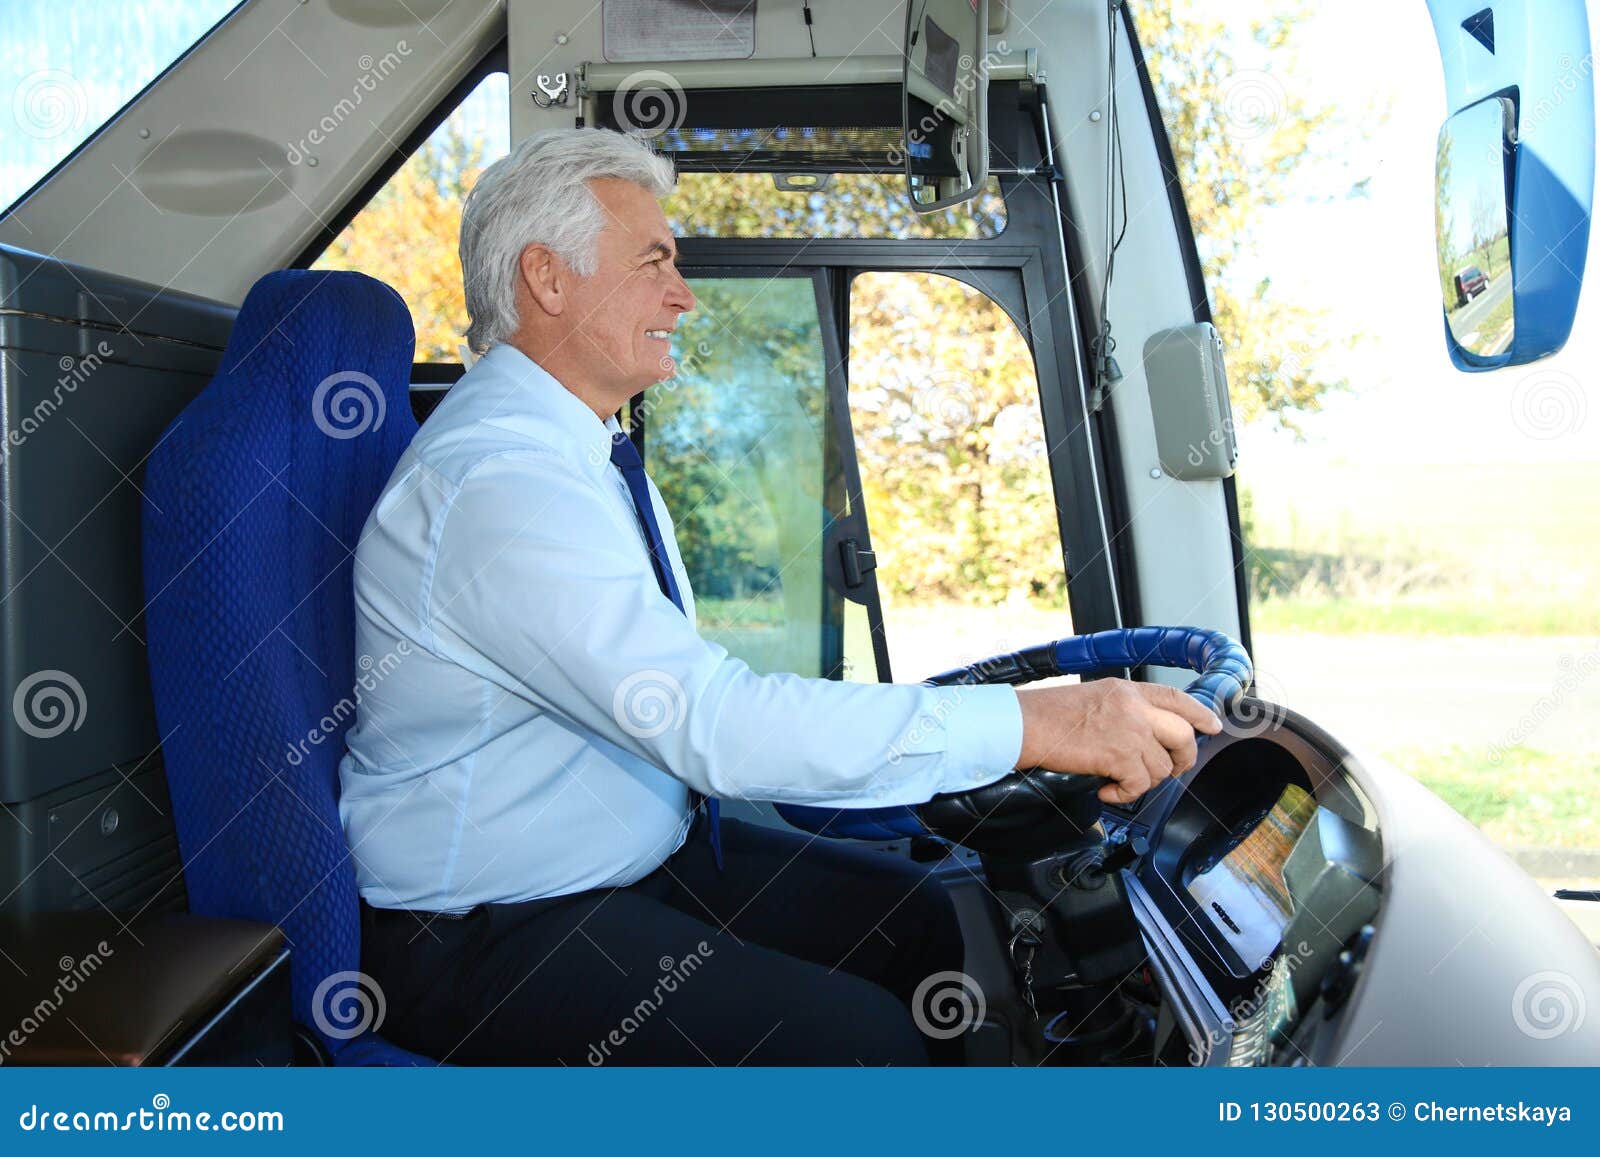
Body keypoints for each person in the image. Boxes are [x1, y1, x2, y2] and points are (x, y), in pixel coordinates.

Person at [338, 127, 1221, 1066]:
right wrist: (1034, 722)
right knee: (863, 1045)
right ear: (548, 281)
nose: (681, 293)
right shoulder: (500, 485)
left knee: (919, 925)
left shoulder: (573, 450)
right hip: (483, 927)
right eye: (654, 262)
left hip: (621, 853)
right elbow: (711, 724)